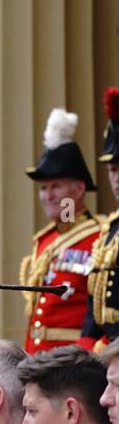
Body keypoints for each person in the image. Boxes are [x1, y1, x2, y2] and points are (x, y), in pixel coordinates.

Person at [20, 108, 101, 352]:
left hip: (74, 360)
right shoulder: (45, 240)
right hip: (39, 358)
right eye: (43, 188)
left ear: (78, 189)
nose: (48, 195)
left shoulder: (99, 237)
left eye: (56, 186)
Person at [83, 87, 119, 350]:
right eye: (112, 170)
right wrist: (85, 345)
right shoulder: (111, 227)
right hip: (106, 347)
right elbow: (94, 297)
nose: (116, 178)